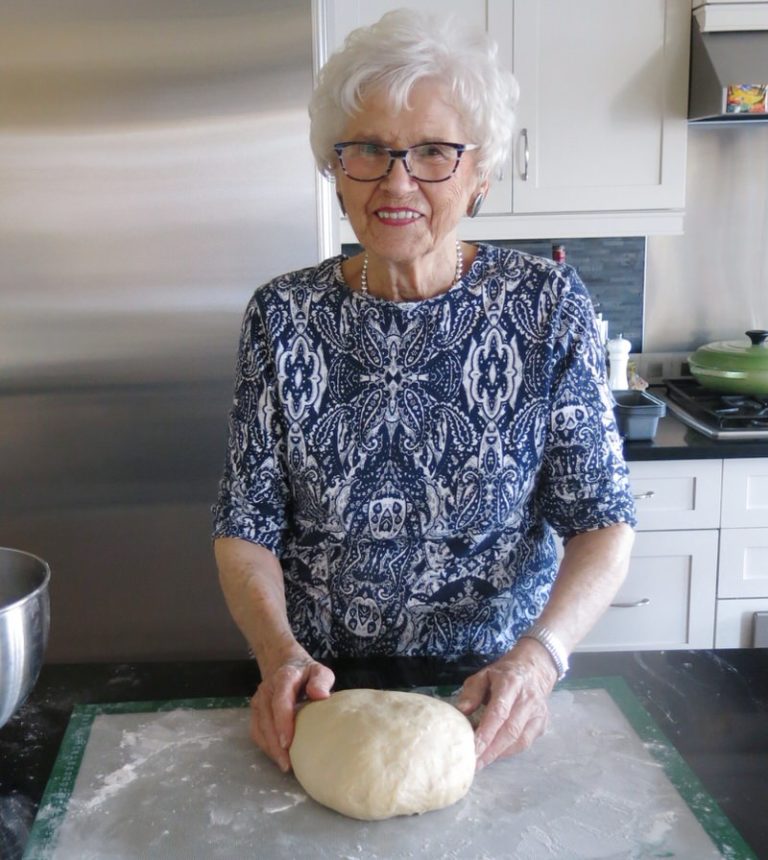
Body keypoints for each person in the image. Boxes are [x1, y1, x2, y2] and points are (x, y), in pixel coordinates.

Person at [212, 8, 635, 774]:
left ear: (481, 172)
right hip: (320, 690)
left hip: (494, 693)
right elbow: (246, 523)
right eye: (368, 149)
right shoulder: (282, 316)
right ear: (335, 168)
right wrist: (279, 657)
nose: (396, 180)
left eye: (434, 151)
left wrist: (539, 660)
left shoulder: (545, 306)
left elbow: (604, 521)